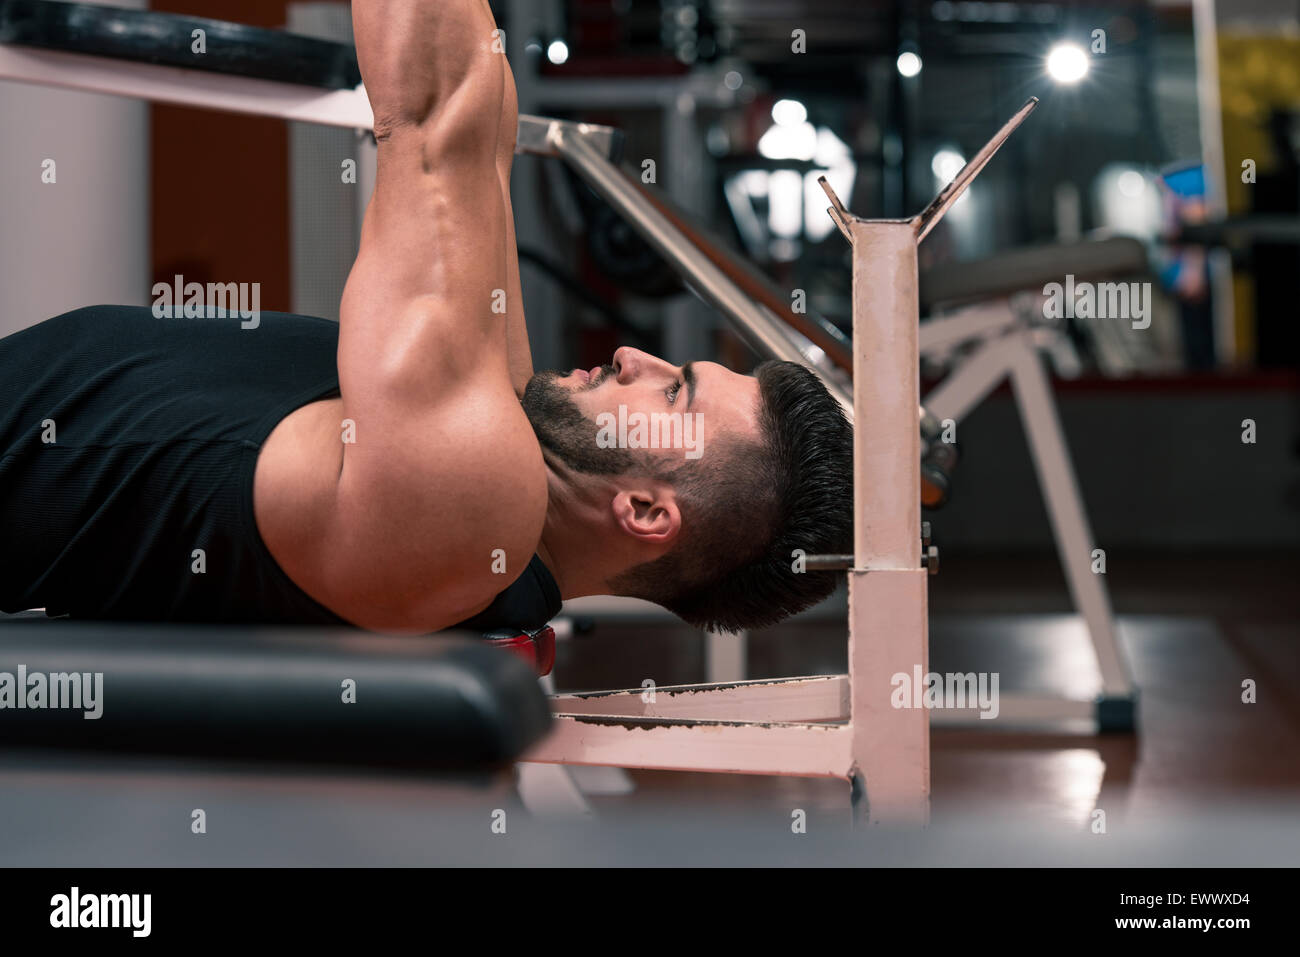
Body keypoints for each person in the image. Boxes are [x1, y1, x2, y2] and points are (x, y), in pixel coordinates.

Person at [0, 0, 852, 636]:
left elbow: (440, 110)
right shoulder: (507, 467)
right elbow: (481, 128)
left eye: (675, 397)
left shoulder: (473, 504)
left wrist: (460, 99)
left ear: (644, 510)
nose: (636, 355)